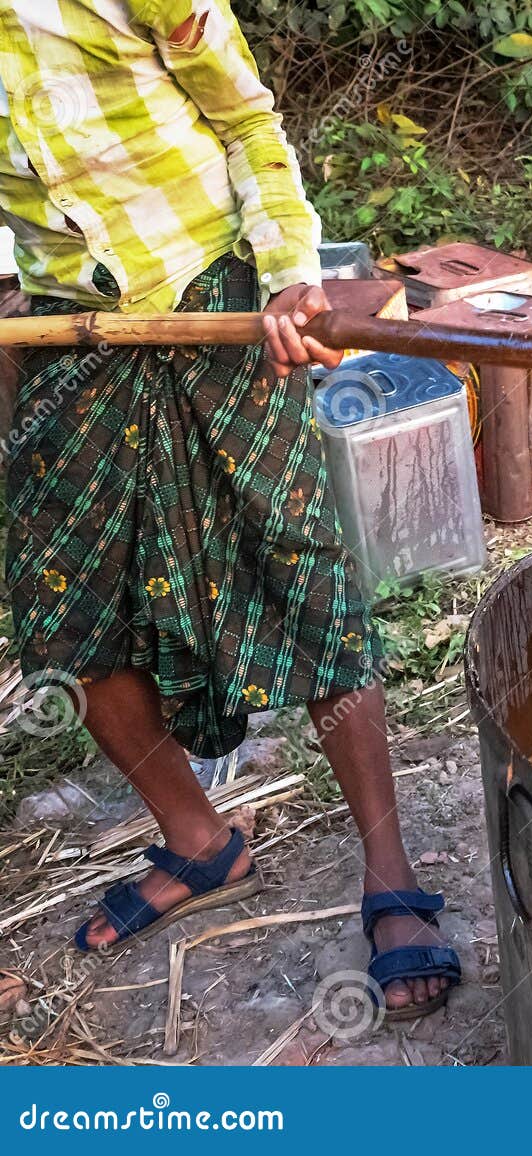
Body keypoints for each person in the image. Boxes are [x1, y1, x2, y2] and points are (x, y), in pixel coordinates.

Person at [0, 0, 459, 1020]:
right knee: (62, 601)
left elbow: (248, 122)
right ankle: (201, 840)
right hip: (69, 322)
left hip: (213, 290)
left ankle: (388, 869)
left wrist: (294, 278)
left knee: (299, 569)